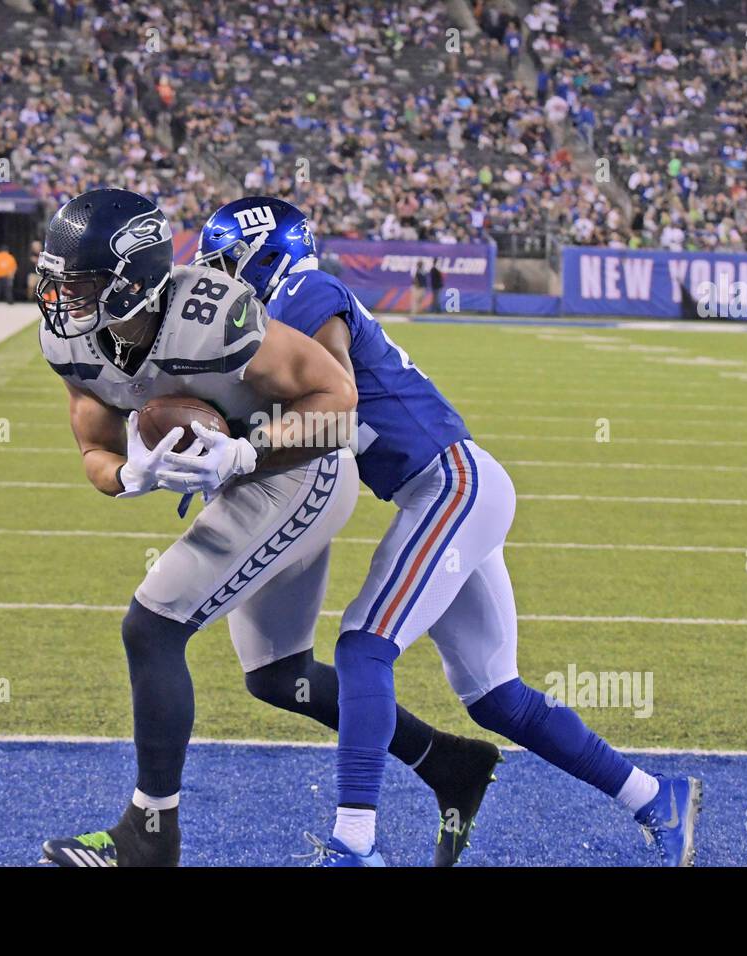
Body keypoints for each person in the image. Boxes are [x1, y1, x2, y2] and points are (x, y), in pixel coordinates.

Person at [199, 196, 702, 868]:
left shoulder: (305, 290)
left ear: (263, 252)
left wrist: (236, 447)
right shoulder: (288, 303)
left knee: (363, 648)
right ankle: (654, 797)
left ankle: (355, 842)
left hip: (448, 483)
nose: (220, 279)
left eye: (225, 262)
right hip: (450, 485)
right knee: (497, 698)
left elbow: (335, 404)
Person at [34, 189, 498, 869]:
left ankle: (148, 837)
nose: (62, 300)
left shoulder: (212, 313)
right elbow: (94, 452)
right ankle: (448, 762)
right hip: (247, 477)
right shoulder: (70, 342)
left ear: (135, 279)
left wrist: (247, 450)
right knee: (279, 677)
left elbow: (339, 402)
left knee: (152, 625)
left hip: (299, 470)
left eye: (82, 285)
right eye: (58, 282)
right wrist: (128, 472)